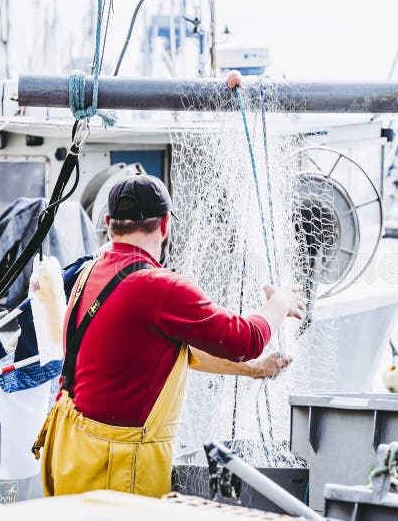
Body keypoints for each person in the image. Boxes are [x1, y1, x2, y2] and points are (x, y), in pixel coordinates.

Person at [33, 172, 305, 498]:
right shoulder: (158, 287)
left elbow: (178, 351)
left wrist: (253, 370)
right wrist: (278, 304)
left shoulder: (90, 272)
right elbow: (245, 340)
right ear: (164, 225)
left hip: (70, 452)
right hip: (116, 468)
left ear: (108, 222)